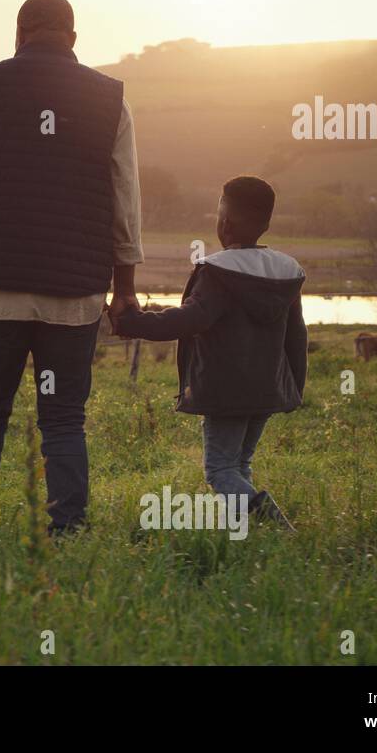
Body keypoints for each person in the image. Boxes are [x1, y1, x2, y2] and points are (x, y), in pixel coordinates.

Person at [0, 0, 143, 534]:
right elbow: (124, 197)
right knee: (63, 420)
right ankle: (68, 532)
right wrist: (125, 286)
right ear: (74, 39)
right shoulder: (111, 100)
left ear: (19, 33)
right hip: (76, 295)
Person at [114, 175, 305, 529]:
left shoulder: (218, 273)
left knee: (219, 470)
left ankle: (276, 527)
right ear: (266, 223)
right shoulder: (287, 272)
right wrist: (295, 389)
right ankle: (246, 535)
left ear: (224, 223)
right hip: (268, 390)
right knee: (240, 464)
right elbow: (297, 336)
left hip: (227, 390)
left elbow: (188, 319)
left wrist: (133, 322)